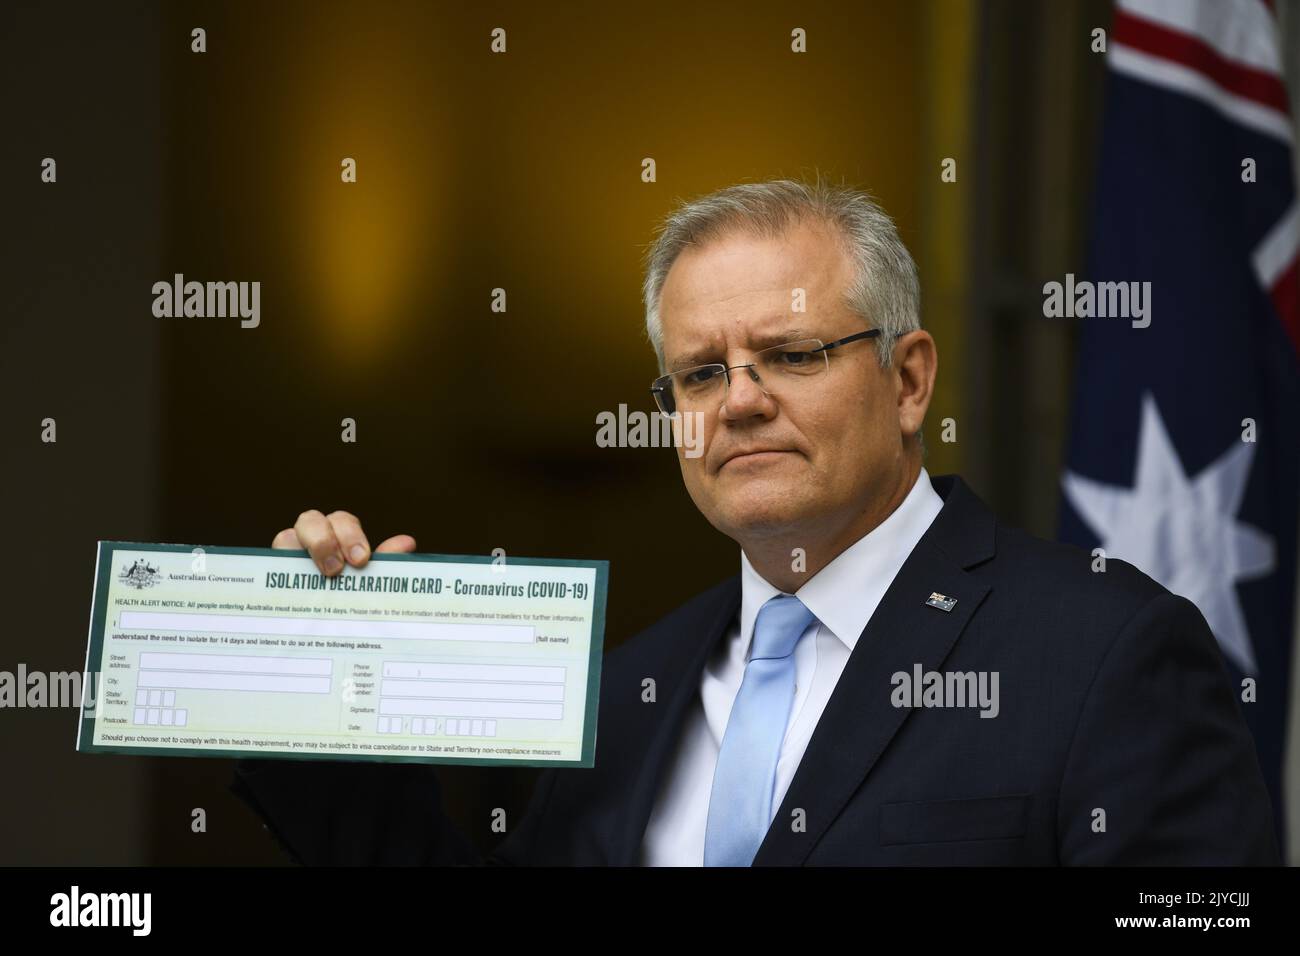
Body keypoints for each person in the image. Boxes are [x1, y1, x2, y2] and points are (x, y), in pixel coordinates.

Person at [231, 178, 1279, 865]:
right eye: (699, 372)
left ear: (909, 379)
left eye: (790, 354)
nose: (737, 400)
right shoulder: (621, 693)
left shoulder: (1104, 648)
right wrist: (323, 697)